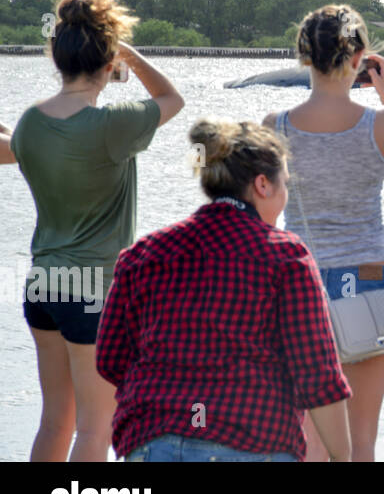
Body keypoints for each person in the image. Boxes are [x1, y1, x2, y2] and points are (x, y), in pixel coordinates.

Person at [95, 119, 352, 462]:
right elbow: (318, 374)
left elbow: (111, 359)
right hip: (251, 442)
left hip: (152, 441)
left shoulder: (142, 254)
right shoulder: (285, 255)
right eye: (284, 185)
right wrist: (344, 455)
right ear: (263, 184)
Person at [0, 0, 184, 461]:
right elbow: (172, 98)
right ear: (108, 62)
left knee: (55, 420)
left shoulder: (29, 124)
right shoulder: (113, 126)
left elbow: (12, 144)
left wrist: (111, 57)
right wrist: (134, 58)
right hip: (93, 291)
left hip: (42, 285)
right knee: (96, 427)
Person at [263, 4, 384, 462]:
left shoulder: (275, 127)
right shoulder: (381, 124)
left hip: (302, 285)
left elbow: (262, 211)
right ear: (360, 57)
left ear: (304, 56)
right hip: (370, 279)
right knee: (360, 441)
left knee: (310, 442)